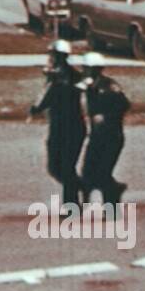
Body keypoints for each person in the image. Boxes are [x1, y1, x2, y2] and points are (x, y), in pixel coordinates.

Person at [29, 39, 87, 210]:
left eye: (53, 55)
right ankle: (82, 186)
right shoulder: (55, 76)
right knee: (54, 167)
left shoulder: (71, 77)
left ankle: (72, 206)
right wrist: (37, 107)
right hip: (57, 127)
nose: (50, 58)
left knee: (67, 167)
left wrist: (40, 106)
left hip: (72, 127)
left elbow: (59, 94)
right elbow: (48, 95)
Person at [77, 52, 130, 207]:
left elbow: (124, 105)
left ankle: (112, 205)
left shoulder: (109, 86)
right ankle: (86, 201)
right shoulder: (89, 86)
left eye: (88, 68)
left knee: (103, 173)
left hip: (112, 136)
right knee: (87, 171)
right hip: (96, 136)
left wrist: (106, 115)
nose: (85, 71)